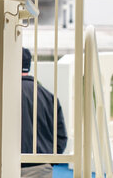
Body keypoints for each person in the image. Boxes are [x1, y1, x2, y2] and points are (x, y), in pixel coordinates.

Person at [21, 48, 67, 177]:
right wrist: (49, 161)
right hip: (40, 166)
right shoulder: (48, 96)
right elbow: (61, 136)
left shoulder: (0, 95)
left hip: (6, 164)